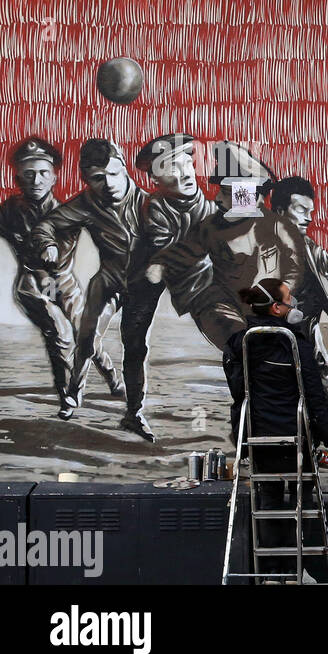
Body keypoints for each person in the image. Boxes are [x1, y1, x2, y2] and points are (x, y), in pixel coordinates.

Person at [223, 277, 328, 581]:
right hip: (297, 438)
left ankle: (271, 573)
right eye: (290, 301)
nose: (295, 307)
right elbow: (316, 401)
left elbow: (238, 391)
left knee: (269, 499)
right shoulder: (298, 346)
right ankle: (296, 570)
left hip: (258, 437)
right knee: (300, 504)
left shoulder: (239, 344)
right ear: (277, 308)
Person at [147, 140, 304, 349]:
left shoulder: (276, 227)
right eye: (221, 191)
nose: (218, 199)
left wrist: (283, 291)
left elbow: (294, 265)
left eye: (227, 193)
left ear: (249, 193)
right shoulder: (211, 227)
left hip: (268, 306)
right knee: (234, 338)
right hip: (226, 305)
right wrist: (160, 263)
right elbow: (186, 249)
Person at [117, 132, 222, 441]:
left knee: (225, 329)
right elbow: (168, 253)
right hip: (144, 278)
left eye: (187, 162)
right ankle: (133, 413)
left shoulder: (212, 201)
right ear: (155, 178)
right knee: (134, 343)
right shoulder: (155, 208)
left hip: (192, 277)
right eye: (171, 167)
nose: (184, 172)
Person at [0, 137, 114, 417]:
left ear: (54, 177)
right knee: (60, 334)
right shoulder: (8, 211)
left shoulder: (68, 211)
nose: (35, 180)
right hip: (32, 284)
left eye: (42, 173)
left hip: (62, 282)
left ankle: (113, 378)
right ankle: (67, 397)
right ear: (17, 178)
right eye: (28, 174)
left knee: (86, 334)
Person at [32, 138, 142, 418]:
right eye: (97, 178)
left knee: (137, 347)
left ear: (125, 169)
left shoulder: (150, 205)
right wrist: (48, 244)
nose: (109, 184)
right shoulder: (86, 204)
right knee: (87, 338)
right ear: (86, 179)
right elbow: (46, 225)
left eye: (114, 174)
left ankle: (128, 398)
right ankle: (73, 394)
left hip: (143, 286)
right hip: (108, 281)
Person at [270, 177, 328, 399]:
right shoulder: (262, 246)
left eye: (310, 211)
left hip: (306, 327)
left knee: (319, 370)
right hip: (276, 330)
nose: (309, 218)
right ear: (281, 211)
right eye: (302, 210)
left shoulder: (308, 246)